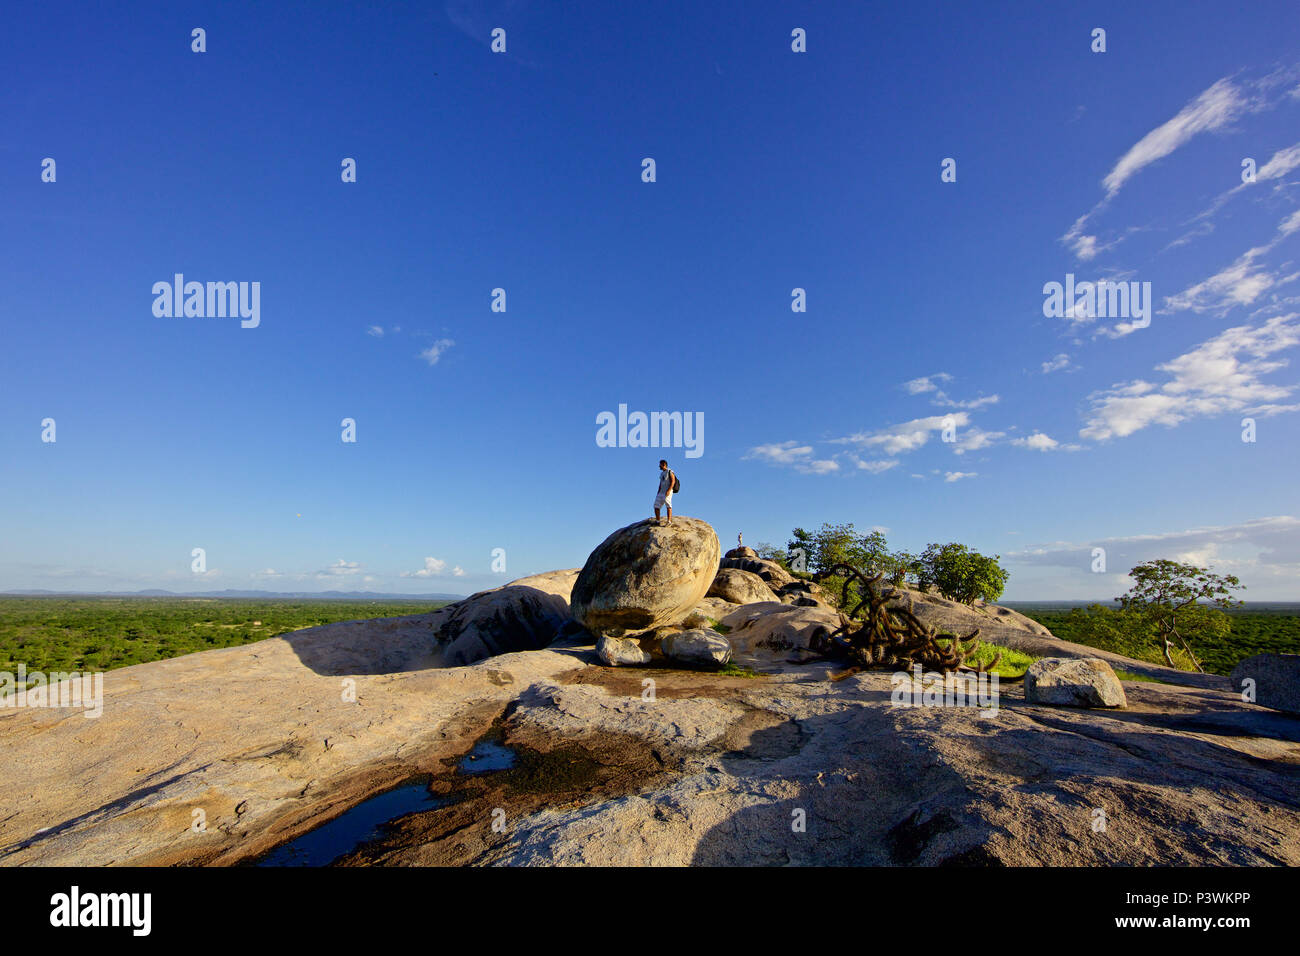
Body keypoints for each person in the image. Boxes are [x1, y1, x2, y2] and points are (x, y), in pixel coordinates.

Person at [653, 459, 675, 525]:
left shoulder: (670, 471)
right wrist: (658, 492)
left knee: (668, 505)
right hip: (661, 492)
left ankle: (669, 521)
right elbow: (661, 483)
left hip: (668, 491)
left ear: (664, 465)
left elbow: (673, 481)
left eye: (660, 465)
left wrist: (669, 490)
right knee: (656, 506)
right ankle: (657, 521)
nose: (659, 466)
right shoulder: (662, 473)